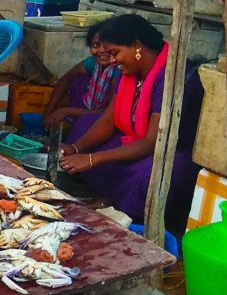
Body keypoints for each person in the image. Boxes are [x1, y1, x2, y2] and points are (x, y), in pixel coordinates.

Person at [58, 14, 202, 238]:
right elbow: (109, 119)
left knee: (149, 173)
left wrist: (91, 159)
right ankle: (108, 195)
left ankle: (126, 209)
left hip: (167, 152)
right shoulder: (128, 73)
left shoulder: (172, 77)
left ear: (137, 47)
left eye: (116, 53)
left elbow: (153, 142)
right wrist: (76, 148)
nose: (112, 60)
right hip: (134, 138)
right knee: (86, 124)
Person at [41, 21, 121, 131]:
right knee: (77, 80)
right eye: (96, 45)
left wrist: (67, 111)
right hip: (92, 110)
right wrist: (48, 113)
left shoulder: (119, 71)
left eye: (107, 46)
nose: (102, 50)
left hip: (112, 121)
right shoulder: (93, 63)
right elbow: (65, 80)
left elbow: (109, 112)